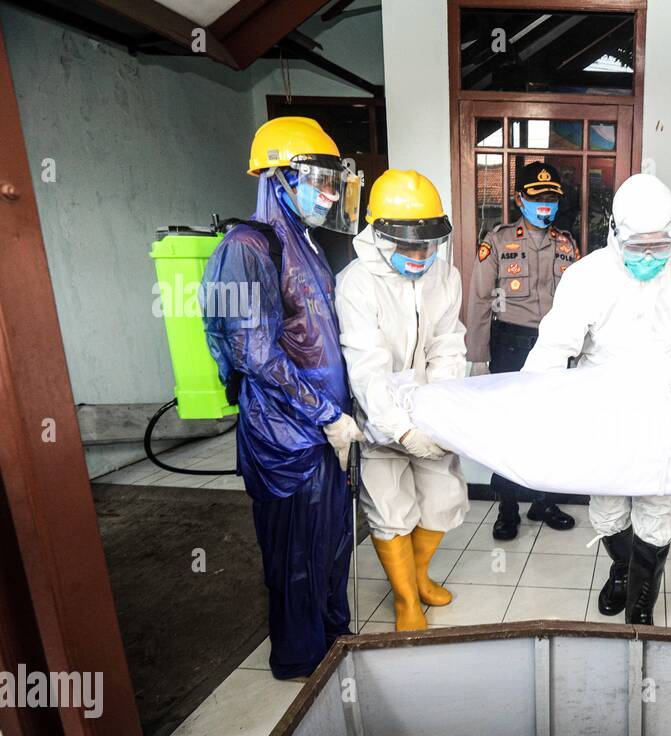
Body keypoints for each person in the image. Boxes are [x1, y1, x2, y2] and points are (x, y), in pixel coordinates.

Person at [522, 173, 671, 625]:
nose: (650, 256)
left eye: (661, 245)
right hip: (603, 409)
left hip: (664, 407)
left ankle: (641, 598)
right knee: (609, 505)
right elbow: (555, 348)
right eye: (638, 247)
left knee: (655, 506)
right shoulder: (586, 277)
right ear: (614, 232)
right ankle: (622, 566)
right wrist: (529, 408)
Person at [201, 116, 363, 680]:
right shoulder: (246, 247)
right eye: (318, 180)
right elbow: (254, 353)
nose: (329, 193)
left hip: (324, 433)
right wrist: (325, 415)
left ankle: (335, 643)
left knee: (332, 549)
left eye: (332, 181)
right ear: (279, 177)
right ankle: (302, 661)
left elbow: (319, 339)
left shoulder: (310, 245)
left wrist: (343, 414)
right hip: (286, 442)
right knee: (296, 559)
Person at [336, 170, 468, 631]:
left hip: (430, 410)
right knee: (390, 507)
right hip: (381, 417)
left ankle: (420, 574)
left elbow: (447, 344)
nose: (421, 256)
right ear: (379, 234)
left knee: (442, 496)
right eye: (409, 246)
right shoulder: (356, 283)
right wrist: (404, 429)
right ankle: (405, 599)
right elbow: (366, 366)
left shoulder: (443, 274)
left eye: (428, 245)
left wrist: (441, 413)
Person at [466, 161, 579, 541]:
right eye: (537, 198)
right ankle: (507, 508)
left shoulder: (567, 244)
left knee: (552, 427)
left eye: (551, 199)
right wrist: (477, 356)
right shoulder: (497, 241)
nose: (544, 205)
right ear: (520, 199)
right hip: (510, 344)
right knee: (510, 427)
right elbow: (480, 300)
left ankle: (543, 501)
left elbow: (580, 304)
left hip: (555, 346)